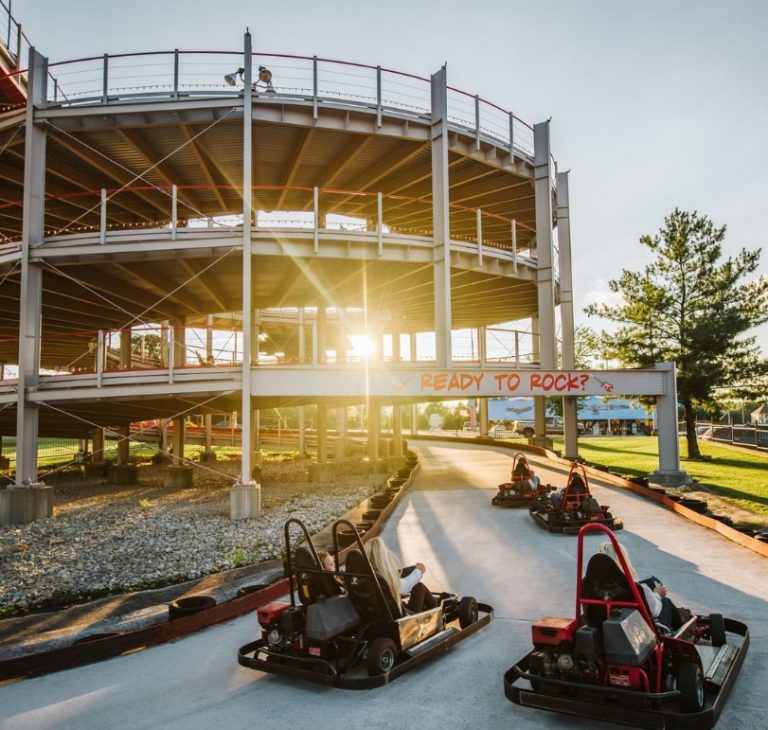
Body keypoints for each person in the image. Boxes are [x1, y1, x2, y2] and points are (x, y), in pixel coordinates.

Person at [596, 541, 688, 630]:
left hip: (602, 623)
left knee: (649, 584)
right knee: (666, 602)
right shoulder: (635, 588)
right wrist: (658, 595)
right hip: (636, 628)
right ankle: (682, 623)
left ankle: (680, 615)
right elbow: (654, 610)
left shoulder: (590, 587)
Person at [364, 537, 437, 614]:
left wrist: (413, 569)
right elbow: (406, 585)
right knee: (420, 587)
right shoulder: (382, 579)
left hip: (380, 614)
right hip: (401, 618)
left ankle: (433, 606)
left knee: (418, 588)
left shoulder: (366, 576)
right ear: (380, 558)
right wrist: (418, 571)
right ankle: (435, 609)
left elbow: (395, 576)